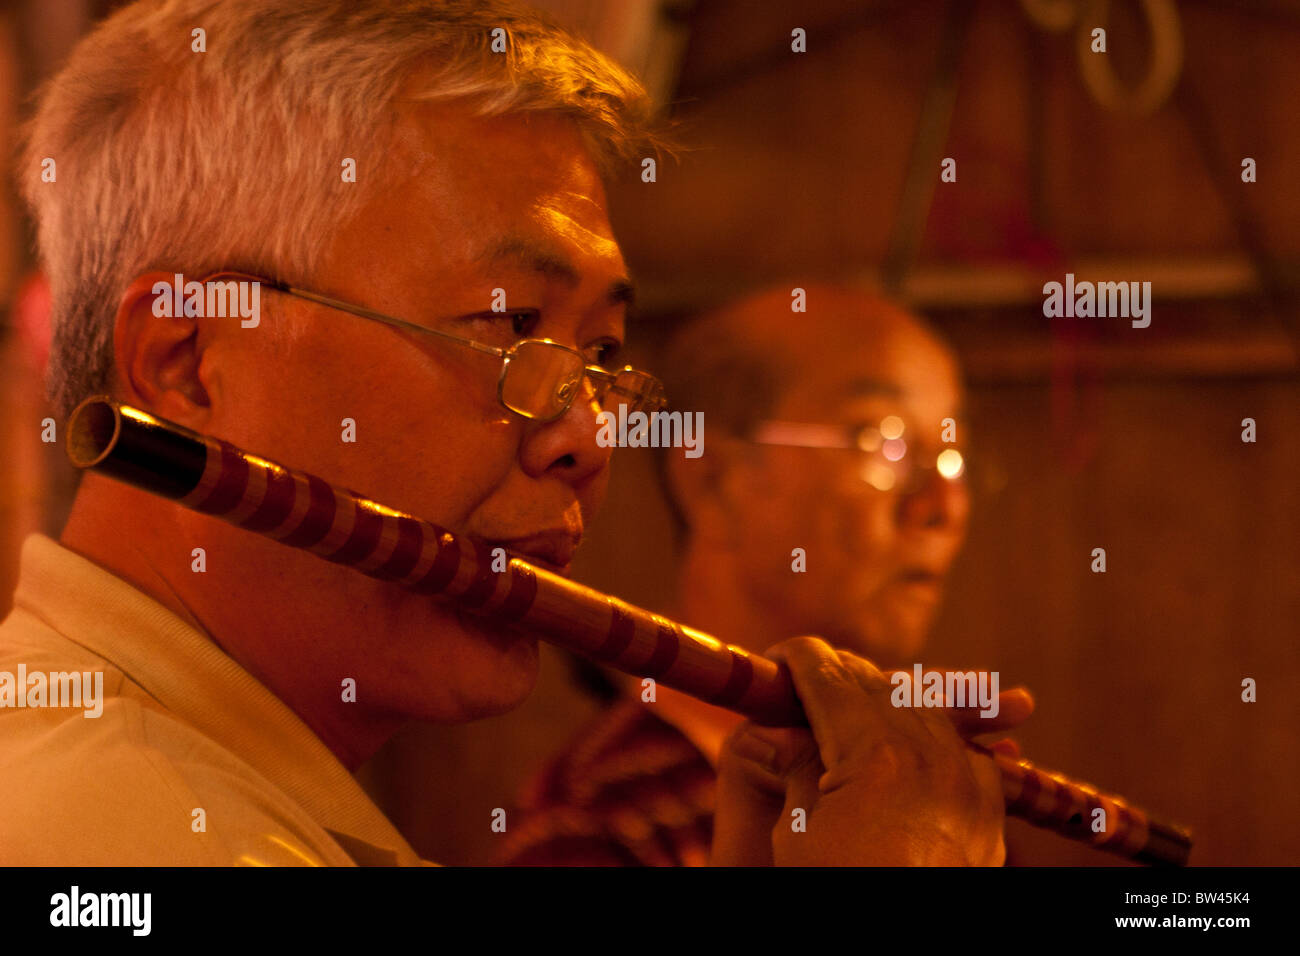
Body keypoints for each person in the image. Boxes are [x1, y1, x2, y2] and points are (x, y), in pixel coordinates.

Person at [1, 0, 1025, 866]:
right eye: (505, 325)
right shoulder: (133, 828)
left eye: (604, 353)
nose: (585, 437)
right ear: (188, 360)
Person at [501, 286, 1021, 865]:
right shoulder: (598, 831)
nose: (944, 508)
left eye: (956, 455)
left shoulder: (927, 796)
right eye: (882, 440)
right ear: (714, 482)